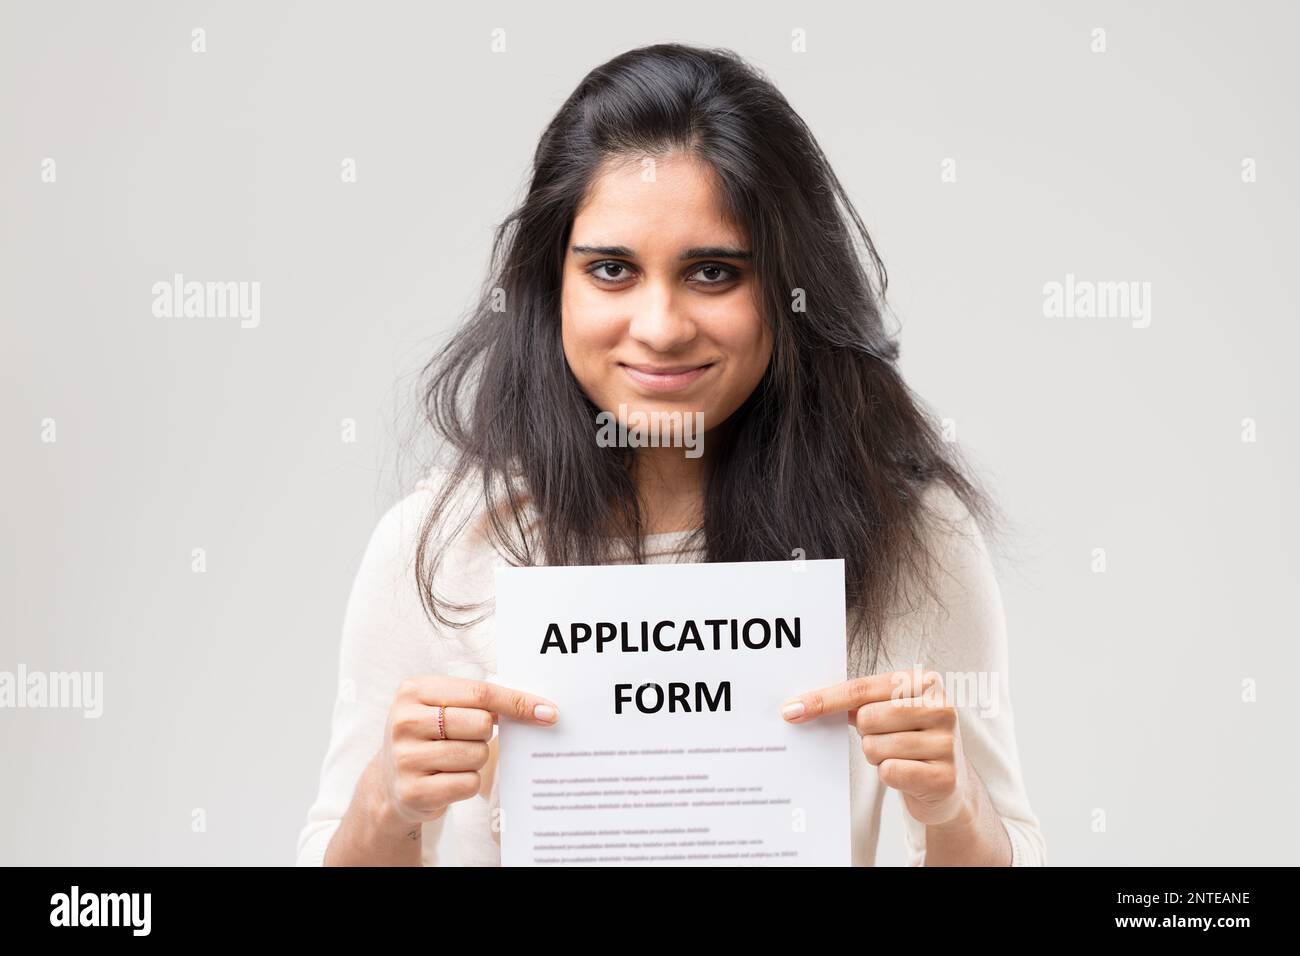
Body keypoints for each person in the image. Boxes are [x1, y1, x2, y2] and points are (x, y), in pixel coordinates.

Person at [296, 42, 1046, 867]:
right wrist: (385, 807)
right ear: (553, 287)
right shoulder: (437, 553)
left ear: (789, 288)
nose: (659, 327)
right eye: (612, 269)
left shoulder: (915, 541)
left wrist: (953, 809)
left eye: (714, 273)